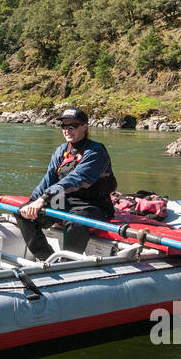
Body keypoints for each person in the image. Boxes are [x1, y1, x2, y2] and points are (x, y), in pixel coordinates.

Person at [17, 107, 117, 260]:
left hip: (93, 205)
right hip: (66, 201)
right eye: (64, 126)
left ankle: (67, 263)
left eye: (72, 126)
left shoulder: (96, 152)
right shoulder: (61, 151)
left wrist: (44, 199)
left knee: (75, 222)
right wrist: (33, 202)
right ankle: (48, 258)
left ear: (85, 127)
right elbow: (49, 179)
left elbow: (76, 179)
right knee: (22, 214)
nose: (67, 130)